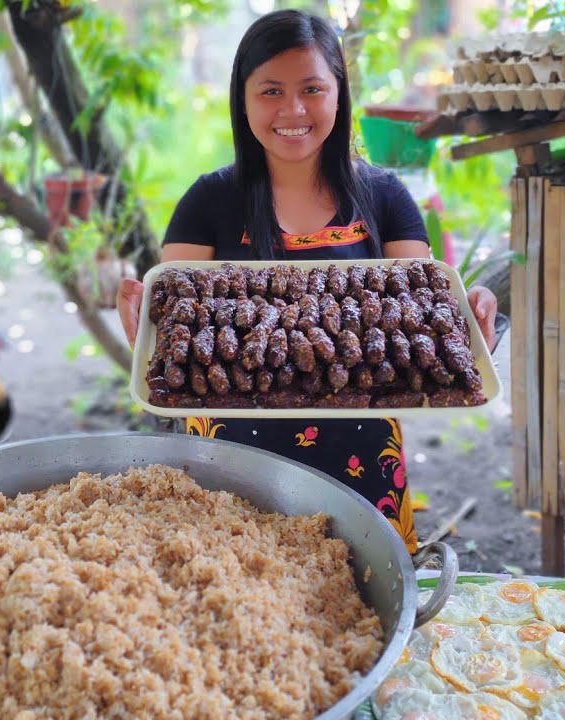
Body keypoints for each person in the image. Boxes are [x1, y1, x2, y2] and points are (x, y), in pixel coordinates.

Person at [117, 9, 499, 554]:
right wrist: (140, 318)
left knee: (365, 603)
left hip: (360, 451)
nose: (292, 110)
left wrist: (467, 318)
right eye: (270, 91)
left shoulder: (386, 198)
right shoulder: (207, 203)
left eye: (312, 89)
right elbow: (167, 336)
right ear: (242, 100)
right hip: (230, 455)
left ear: (339, 95)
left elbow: (426, 304)